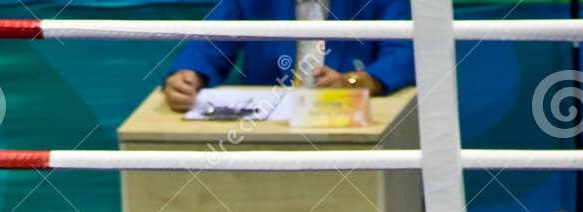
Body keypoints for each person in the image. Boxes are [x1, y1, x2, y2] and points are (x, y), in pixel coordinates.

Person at [163, 0, 413, 112]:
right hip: (265, 135)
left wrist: (354, 82)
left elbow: (405, 54)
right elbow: (210, 44)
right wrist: (188, 75)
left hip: (356, 130)